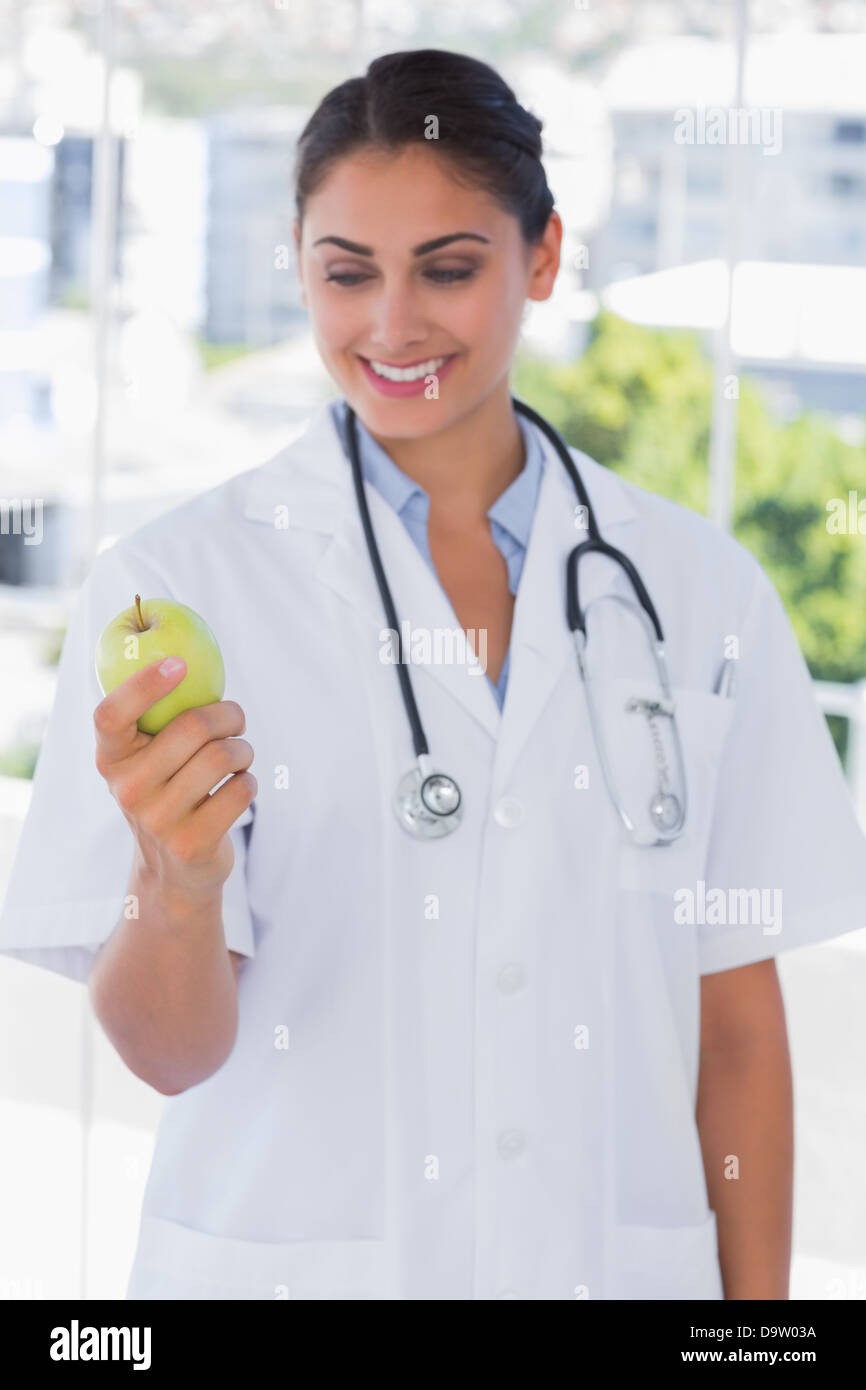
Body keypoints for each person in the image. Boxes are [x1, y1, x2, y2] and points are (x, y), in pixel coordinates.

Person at [2, 48, 866, 1302]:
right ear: (297, 264)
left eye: (448, 269)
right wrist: (175, 884)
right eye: (344, 273)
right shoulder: (175, 584)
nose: (392, 326)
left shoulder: (698, 591)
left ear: (544, 256)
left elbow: (733, 1034)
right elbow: (167, 1054)